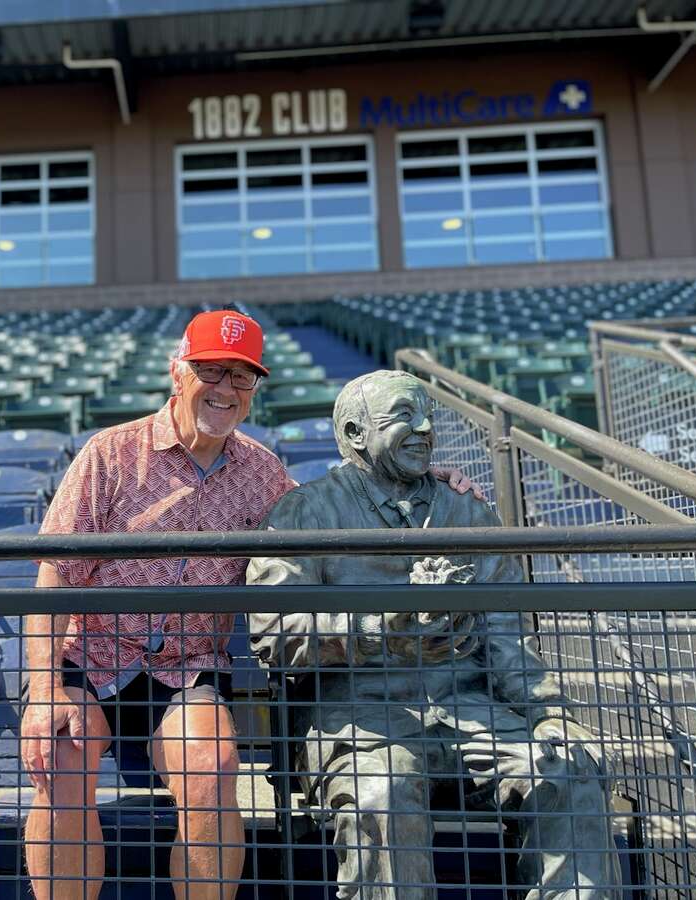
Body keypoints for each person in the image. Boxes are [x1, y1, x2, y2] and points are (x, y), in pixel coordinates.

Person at [21, 314, 478, 900]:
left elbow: (329, 518)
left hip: (185, 671)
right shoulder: (110, 453)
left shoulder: (261, 471)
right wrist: (45, 690)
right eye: (212, 370)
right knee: (63, 760)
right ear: (178, 372)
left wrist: (414, 480)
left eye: (243, 377)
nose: (227, 389)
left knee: (211, 768)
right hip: (92, 660)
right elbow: (55, 572)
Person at [246, 370, 621, 900]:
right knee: (383, 795)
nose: (424, 427)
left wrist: (549, 713)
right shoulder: (303, 514)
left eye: (428, 416)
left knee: (566, 772)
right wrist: (379, 632)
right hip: (359, 716)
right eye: (404, 415)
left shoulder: (467, 511)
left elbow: (507, 637)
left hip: (466, 706)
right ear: (356, 433)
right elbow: (275, 636)